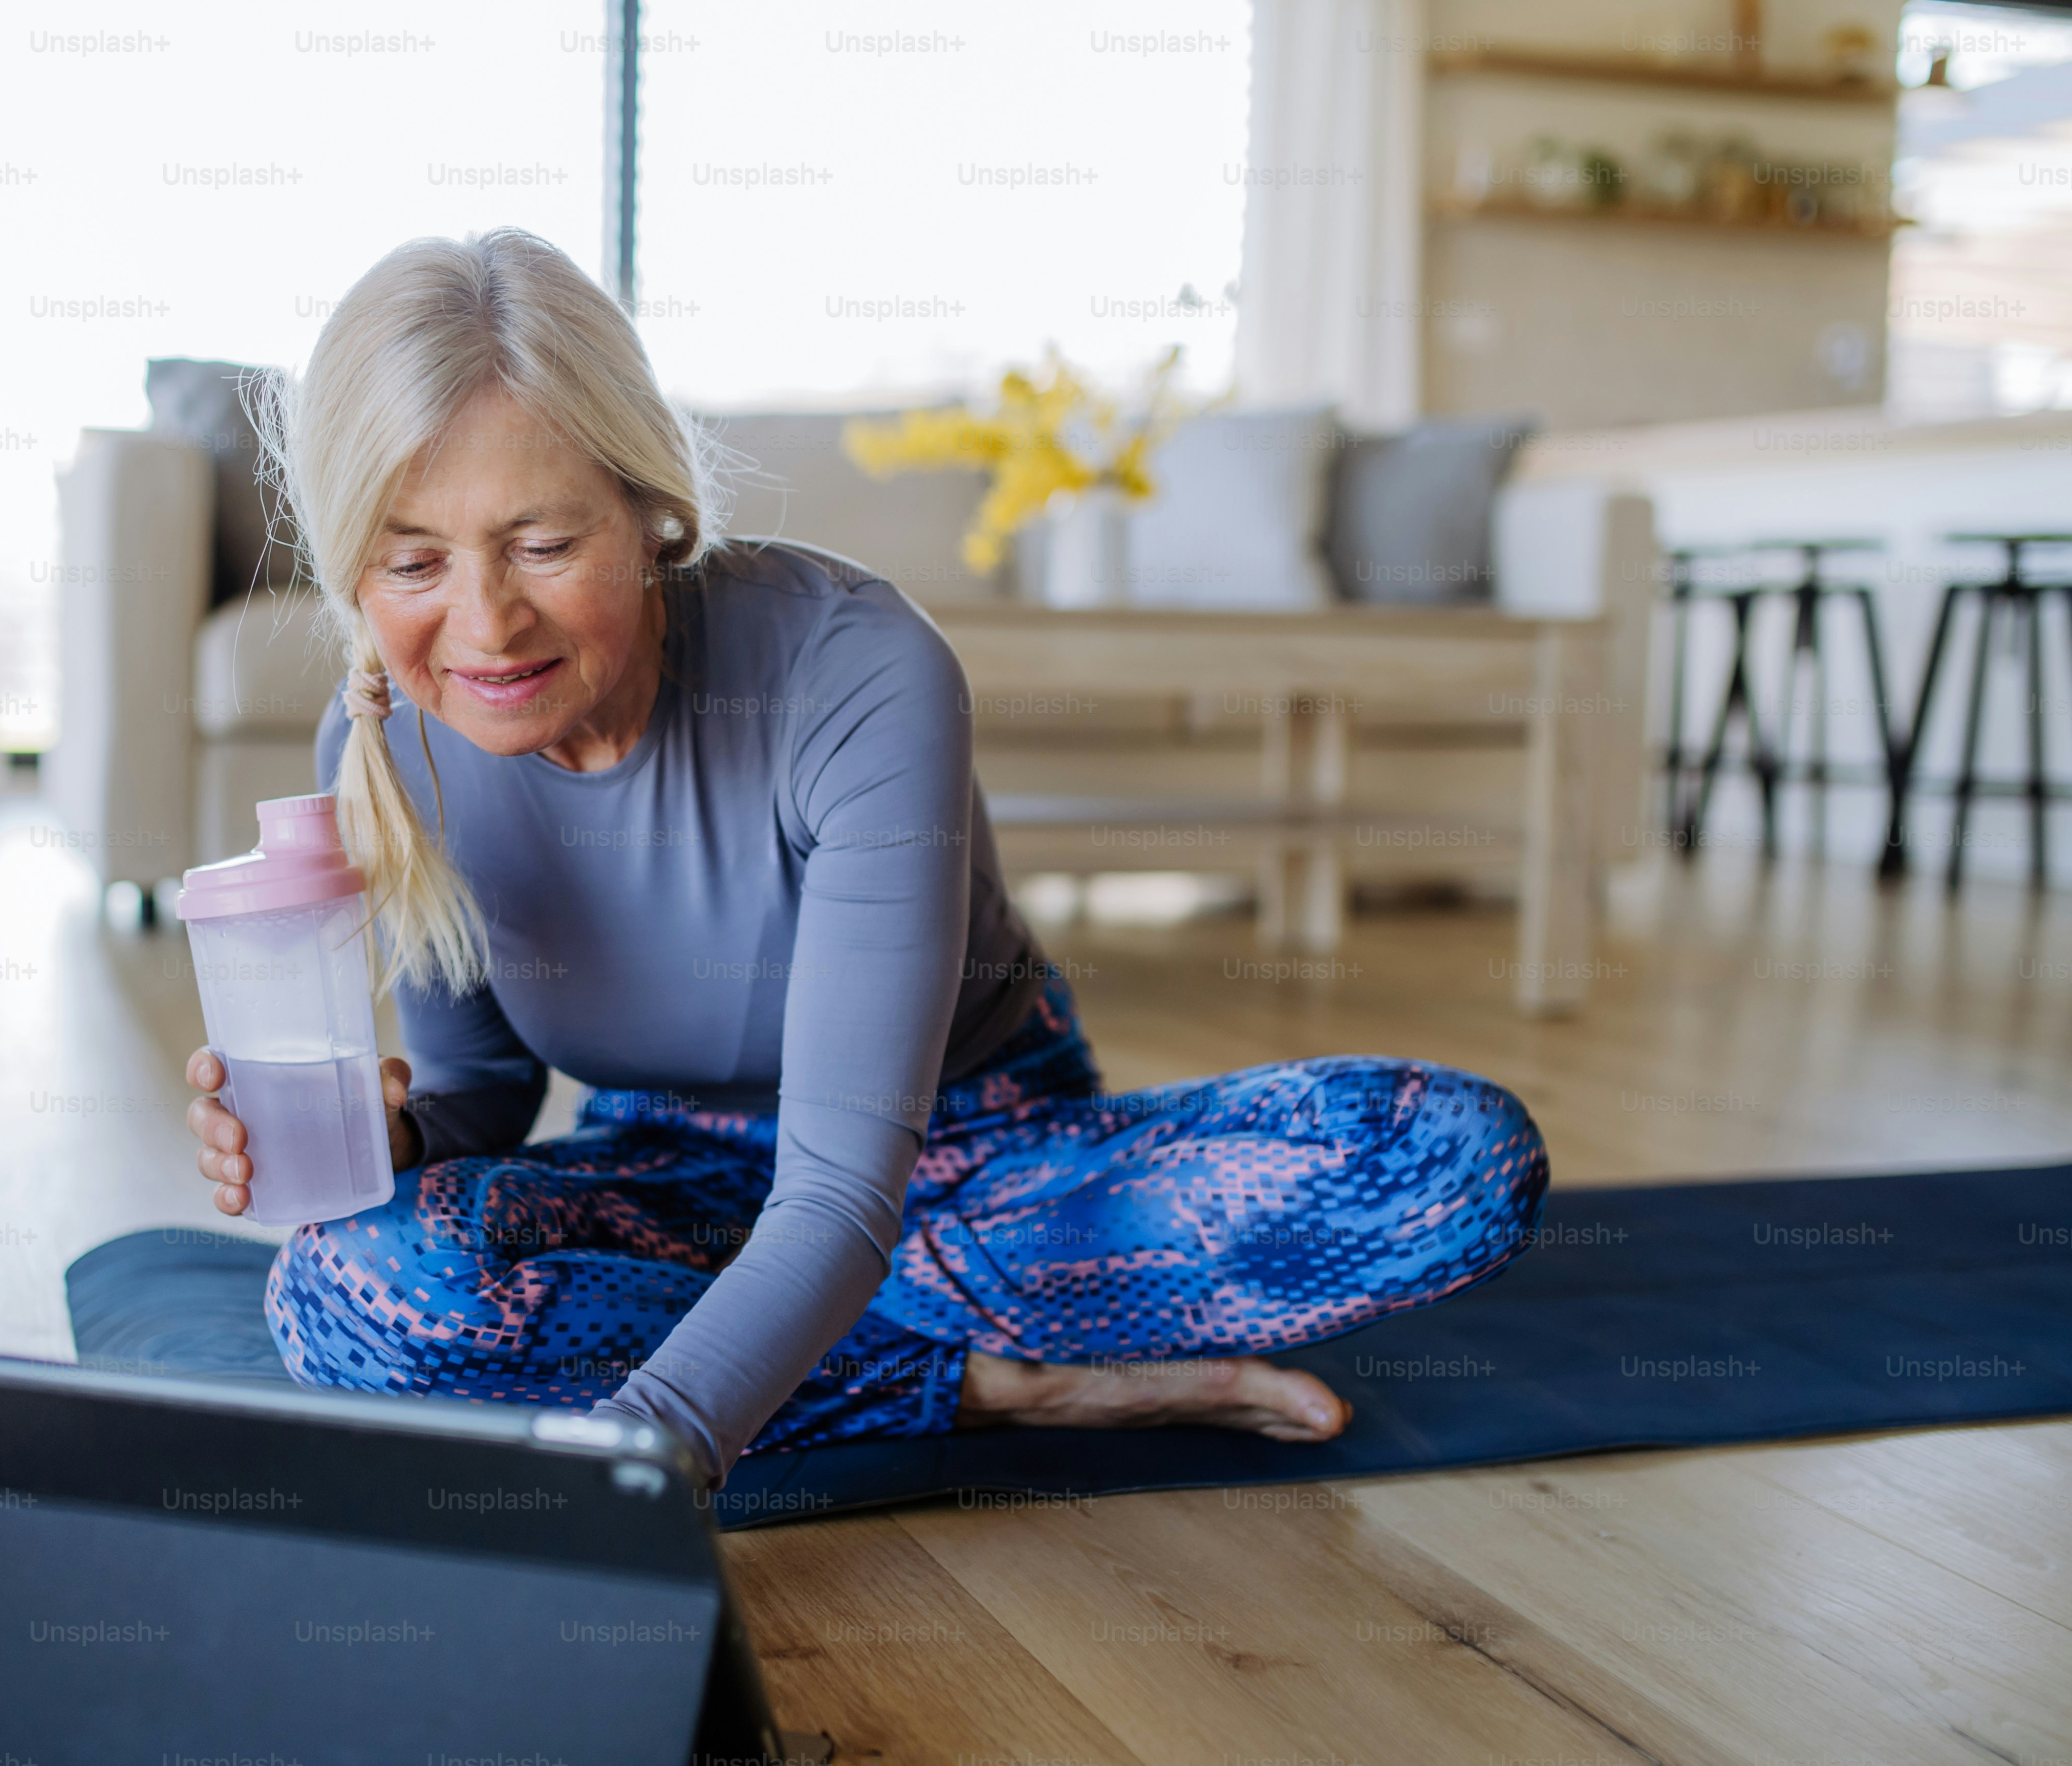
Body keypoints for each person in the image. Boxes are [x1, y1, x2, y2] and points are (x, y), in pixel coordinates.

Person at [183, 229, 1549, 1488]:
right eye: (412, 563)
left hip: (968, 1167)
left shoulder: (858, 668)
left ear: (651, 508)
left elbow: (843, 1189)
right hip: (685, 1185)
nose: (484, 623)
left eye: (543, 543)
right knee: (349, 1290)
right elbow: (487, 1086)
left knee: (1454, 1159)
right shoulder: (385, 744)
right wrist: (397, 1130)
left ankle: (903, 1335)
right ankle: (987, 1381)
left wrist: (644, 1453)